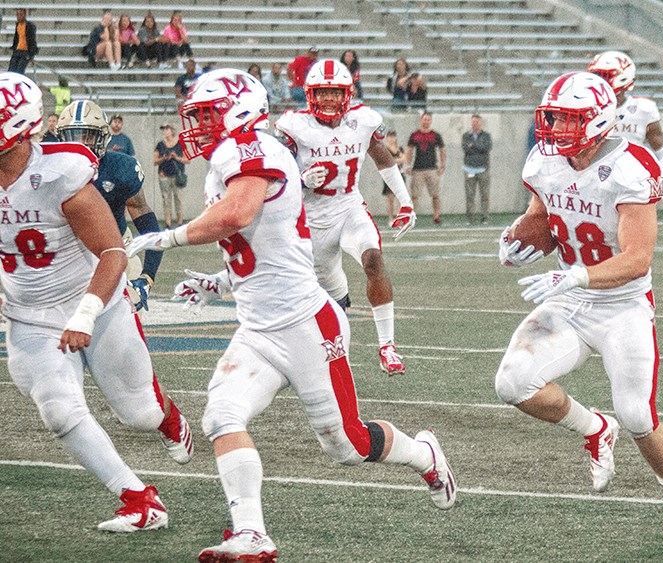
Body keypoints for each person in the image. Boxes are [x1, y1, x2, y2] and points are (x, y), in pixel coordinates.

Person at [126, 68, 455, 561]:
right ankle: (251, 534)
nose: (197, 124)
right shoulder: (230, 156)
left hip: (306, 323)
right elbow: (262, 247)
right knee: (221, 414)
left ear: (238, 110)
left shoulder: (252, 150)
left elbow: (236, 216)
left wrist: (167, 238)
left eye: (206, 114)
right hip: (258, 327)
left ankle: (424, 455)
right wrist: (216, 283)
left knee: (346, 446)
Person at [495, 71, 663, 531]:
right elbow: (543, 219)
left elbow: (638, 259)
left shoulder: (631, 166)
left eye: (569, 121)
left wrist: (577, 275)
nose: (557, 130)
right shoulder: (543, 162)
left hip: (621, 305)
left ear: (599, 121)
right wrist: (516, 241)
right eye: (554, 119)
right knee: (513, 384)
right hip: (569, 299)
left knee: (637, 414)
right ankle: (593, 429)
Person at [0, 72, 193, 533]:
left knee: (139, 414)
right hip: (29, 315)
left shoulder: (62, 171)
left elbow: (111, 252)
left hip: (95, 300)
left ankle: (168, 416)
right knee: (59, 410)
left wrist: (86, 312)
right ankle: (139, 499)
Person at [275, 59, 417, 375]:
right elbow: (274, 174)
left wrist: (405, 202)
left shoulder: (363, 121)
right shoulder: (294, 126)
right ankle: (337, 339)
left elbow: (383, 158)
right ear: (311, 94)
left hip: (349, 207)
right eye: (322, 92)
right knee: (334, 295)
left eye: (334, 93)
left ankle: (387, 347)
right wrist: (299, 180)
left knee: (373, 261)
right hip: (312, 218)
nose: (328, 99)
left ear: (346, 94)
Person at [58, 101, 165, 314]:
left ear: (103, 137)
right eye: (73, 136)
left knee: (129, 319)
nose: (80, 144)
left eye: (87, 135)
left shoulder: (120, 168)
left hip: (117, 248)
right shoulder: (49, 170)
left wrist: (148, 275)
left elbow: (145, 220)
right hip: (68, 251)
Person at [588, 51, 663, 174]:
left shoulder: (643, 109)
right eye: (595, 75)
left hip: (630, 180)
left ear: (623, 78)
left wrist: (655, 177)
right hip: (592, 179)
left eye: (604, 76)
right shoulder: (585, 108)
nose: (598, 81)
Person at [407, 111, 446, 225]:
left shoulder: (436, 135)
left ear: (431, 121)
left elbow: (442, 150)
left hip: (432, 168)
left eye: (428, 119)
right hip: (417, 169)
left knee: (435, 195)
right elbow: (409, 150)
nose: (426, 121)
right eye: (425, 119)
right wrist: (407, 165)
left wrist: (442, 165)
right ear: (421, 120)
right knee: (414, 195)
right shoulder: (414, 135)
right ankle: (412, 216)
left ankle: (436, 216)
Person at [154, 123, 188, 228]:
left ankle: (179, 222)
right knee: (166, 199)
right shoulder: (160, 145)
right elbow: (155, 161)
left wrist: (176, 157)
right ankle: (168, 223)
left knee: (179, 199)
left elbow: (187, 159)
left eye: (167, 129)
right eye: (163, 129)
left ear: (172, 130)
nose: (165, 131)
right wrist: (164, 158)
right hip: (164, 175)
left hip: (177, 176)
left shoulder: (180, 144)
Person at [461, 114, 492, 224]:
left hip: (483, 168)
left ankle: (484, 217)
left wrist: (473, 145)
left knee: (484, 194)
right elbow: (466, 149)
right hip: (469, 168)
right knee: (470, 195)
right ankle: (470, 218)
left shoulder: (486, 136)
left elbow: (486, 148)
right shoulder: (466, 136)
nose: (475, 124)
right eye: (473, 122)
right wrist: (478, 146)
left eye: (477, 122)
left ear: (480, 123)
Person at [382, 129, 407, 225]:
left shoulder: (399, 148)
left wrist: (395, 159)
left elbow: (404, 159)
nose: (392, 138)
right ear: (387, 138)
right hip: (389, 175)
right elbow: (387, 161)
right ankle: (390, 218)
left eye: (393, 136)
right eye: (390, 136)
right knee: (390, 199)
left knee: (401, 198)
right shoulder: (384, 149)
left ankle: (400, 217)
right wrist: (397, 159)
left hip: (400, 174)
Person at [8, 8, 37, 74]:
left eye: (21, 15)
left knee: (19, 71)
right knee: (11, 70)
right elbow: (16, 38)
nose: (18, 17)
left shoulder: (29, 26)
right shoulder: (18, 25)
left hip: (25, 52)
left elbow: (32, 41)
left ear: (24, 15)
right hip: (17, 50)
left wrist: (31, 55)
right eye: (17, 15)